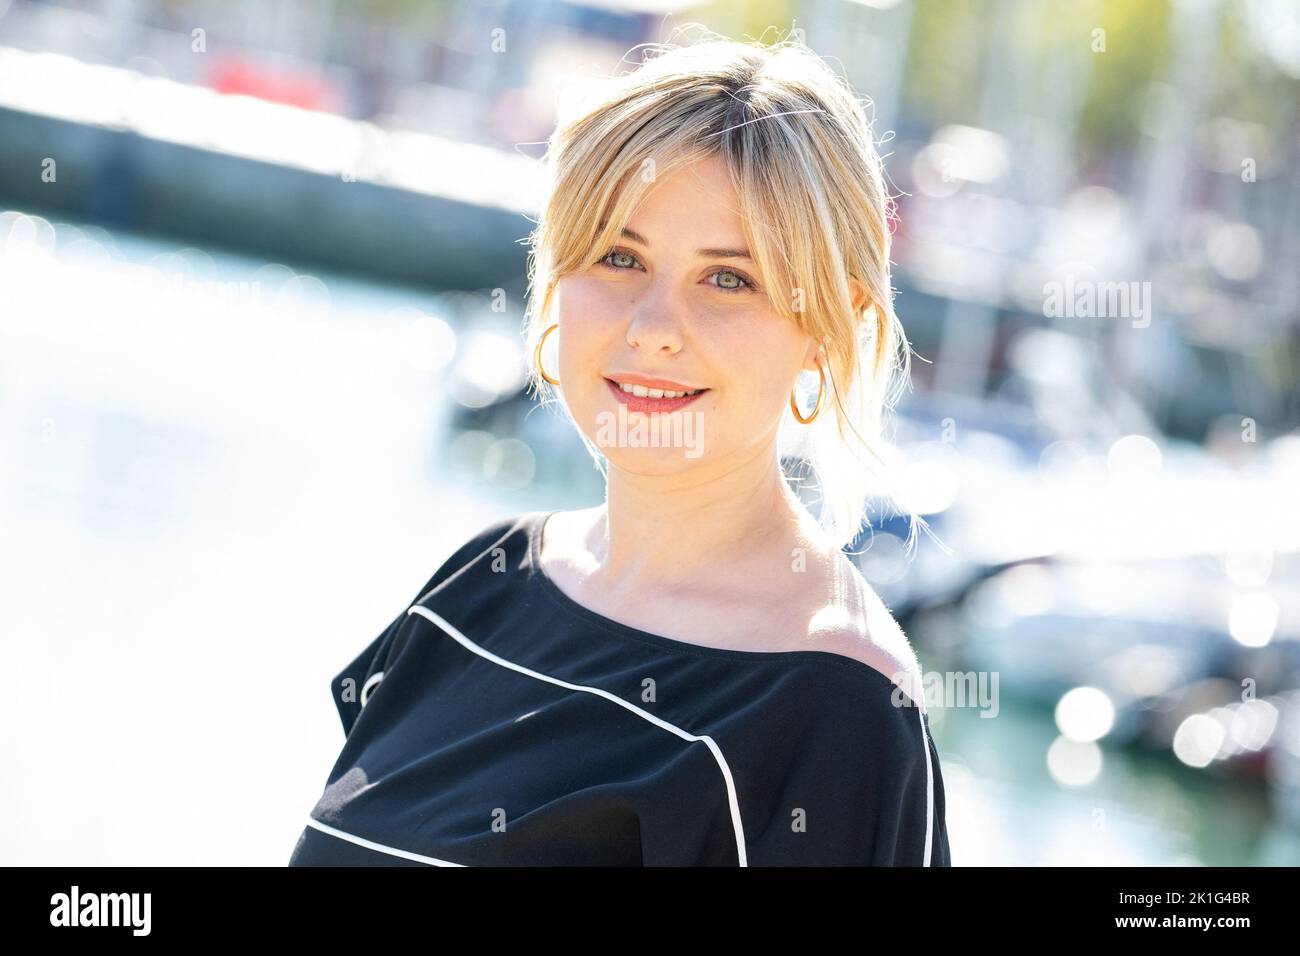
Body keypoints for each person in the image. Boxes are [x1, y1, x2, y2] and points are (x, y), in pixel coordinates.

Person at [289, 29, 951, 867]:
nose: (652, 328)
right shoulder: (478, 589)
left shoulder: (835, 709)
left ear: (828, 328)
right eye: (618, 256)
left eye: (728, 278)